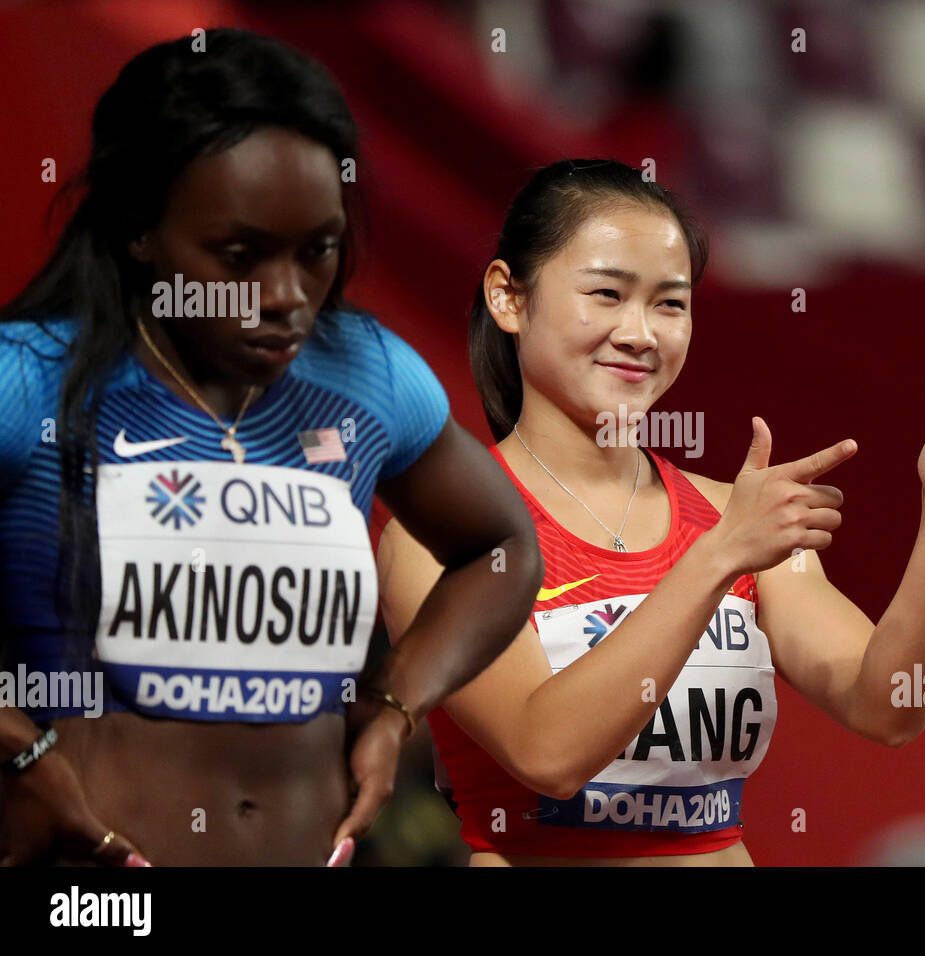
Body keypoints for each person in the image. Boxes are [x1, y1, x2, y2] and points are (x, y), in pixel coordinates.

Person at [378, 159, 925, 866]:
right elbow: (546, 752)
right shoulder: (443, 537)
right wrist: (715, 558)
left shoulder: (736, 515)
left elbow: (885, 707)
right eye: (607, 294)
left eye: (670, 304)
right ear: (508, 298)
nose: (641, 333)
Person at [0, 29, 543, 867]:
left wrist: (396, 706)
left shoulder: (367, 377)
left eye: (317, 249)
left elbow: (503, 549)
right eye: (240, 256)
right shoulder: (30, 380)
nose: (287, 297)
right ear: (140, 230)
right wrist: (20, 755)